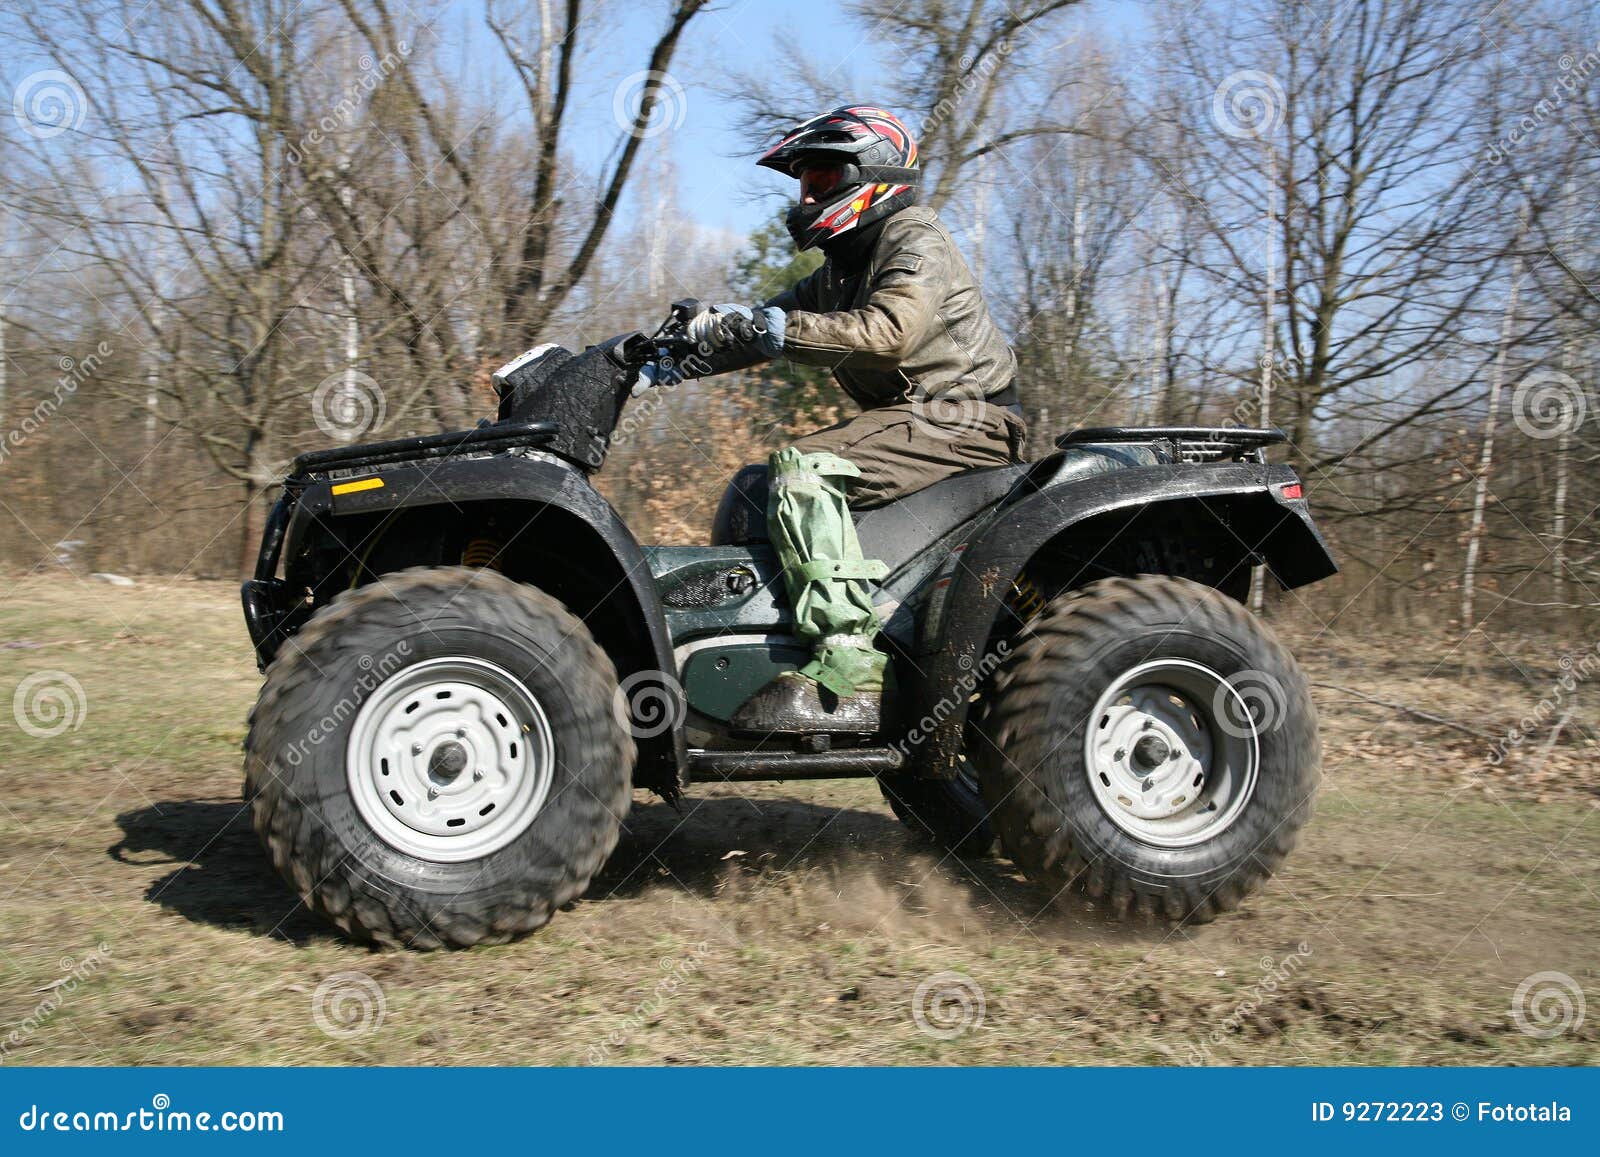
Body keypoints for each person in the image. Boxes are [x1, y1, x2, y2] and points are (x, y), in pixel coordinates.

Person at [680, 105, 1025, 735]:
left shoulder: (913, 236)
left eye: (821, 180)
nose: (808, 195)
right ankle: (769, 649)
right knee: (755, 491)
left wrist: (773, 330)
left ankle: (849, 671)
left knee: (806, 472)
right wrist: (671, 353)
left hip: (964, 416)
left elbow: (891, 331)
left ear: (870, 175)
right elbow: (757, 331)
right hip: (913, 420)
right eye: (804, 184)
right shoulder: (837, 273)